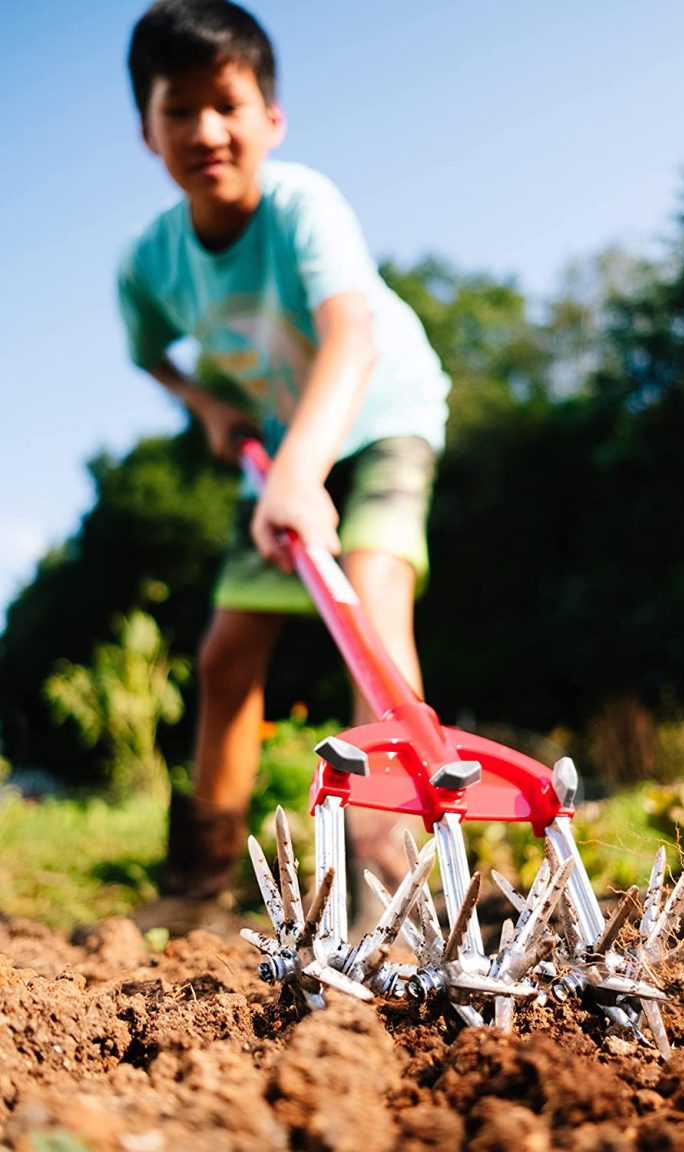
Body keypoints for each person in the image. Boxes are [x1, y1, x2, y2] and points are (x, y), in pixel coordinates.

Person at [119, 0, 450, 931]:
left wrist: (303, 474)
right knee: (226, 655)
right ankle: (198, 884)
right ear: (147, 130)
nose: (205, 130)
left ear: (271, 117)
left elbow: (352, 338)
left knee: (371, 614)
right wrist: (210, 408)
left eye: (227, 104)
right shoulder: (150, 263)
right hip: (277, 445)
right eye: (179, 109)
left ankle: (386, 877)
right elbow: (151, 355)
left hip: (380, 418)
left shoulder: (303, 206)